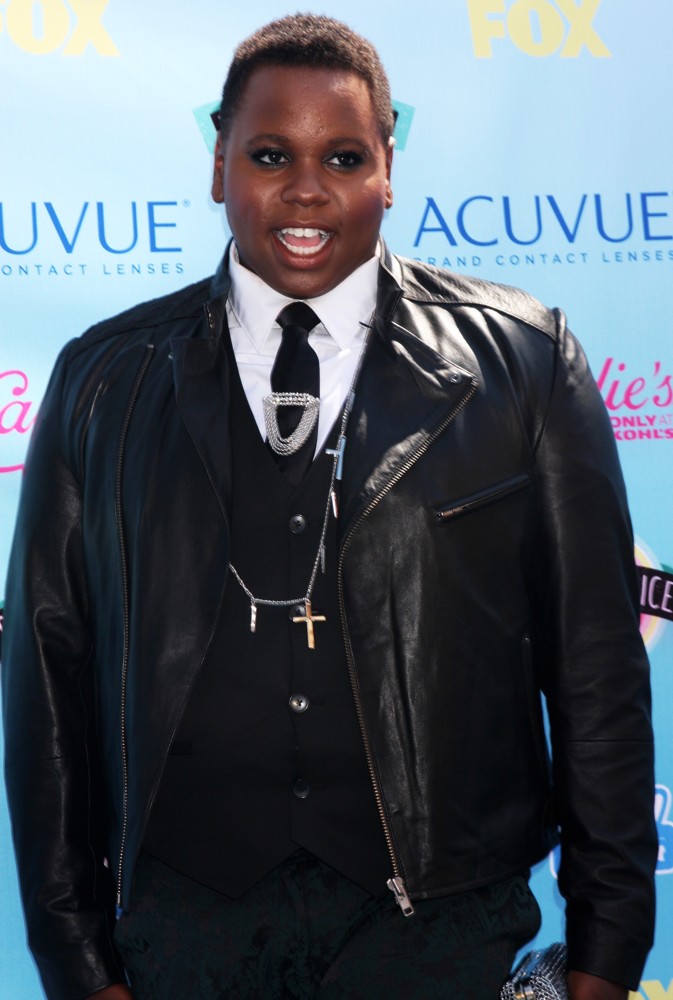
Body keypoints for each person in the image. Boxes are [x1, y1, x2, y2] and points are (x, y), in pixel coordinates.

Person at [2, 13, 656, 1000]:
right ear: (219, 164)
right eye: (270, 154)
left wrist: (608, 953)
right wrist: (73, 958)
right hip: (184, 932)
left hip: (442, 927)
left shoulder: (523, 363)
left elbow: (598, 670)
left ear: (388, 168)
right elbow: (45, 674)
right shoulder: (103, 379)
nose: (306, 188)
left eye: (343, 156)